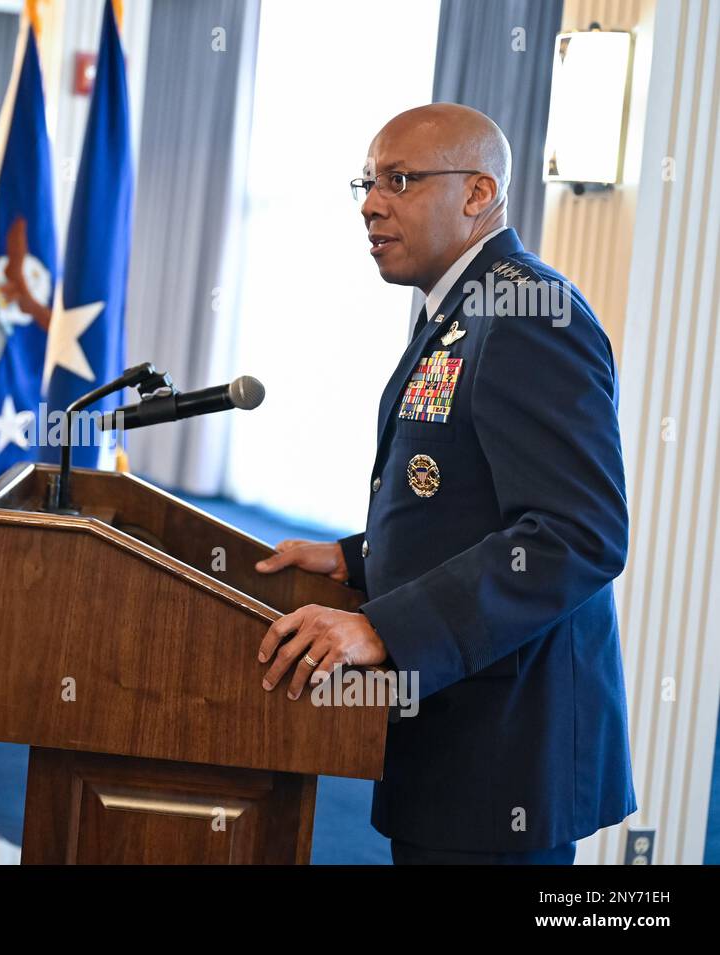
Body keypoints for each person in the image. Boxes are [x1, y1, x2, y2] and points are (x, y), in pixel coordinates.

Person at [254, 103, 635, 865]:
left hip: (504, 751)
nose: (370, 202)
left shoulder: (531, 313)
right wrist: (354, 559)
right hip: (455, 726)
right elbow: (462, 498)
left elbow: (576, 534)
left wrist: (386, 627)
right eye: (367, 181)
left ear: (477, 193)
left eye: (400, 179)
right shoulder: (462, 308)